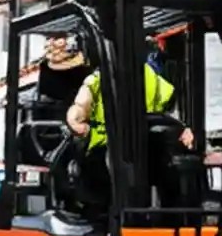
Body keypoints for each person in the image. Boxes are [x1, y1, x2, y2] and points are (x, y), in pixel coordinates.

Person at [64, 58, 194, 218]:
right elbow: (80, 106)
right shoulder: (98, 80)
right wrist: (74, 120)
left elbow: (167, 113)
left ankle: (169, 217)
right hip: (110, 147)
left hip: (142, 144)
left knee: (170, 168)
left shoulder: (150, 78)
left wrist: (182, 129)